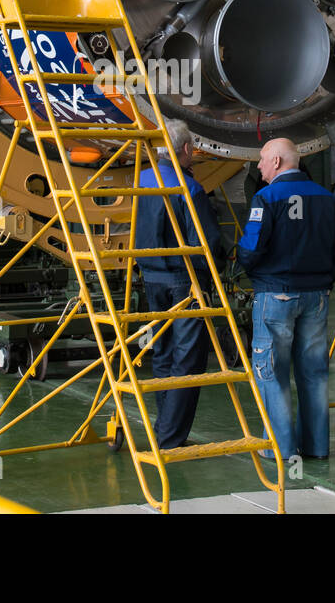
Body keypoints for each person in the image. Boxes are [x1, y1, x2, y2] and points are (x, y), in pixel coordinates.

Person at [237, 137, 335, 461]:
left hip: (276, 294)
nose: (259, 166)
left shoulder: (266, 198)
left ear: (277, 162)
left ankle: (280, 449)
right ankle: (316, 446)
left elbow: (251, 248)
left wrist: (246, 264)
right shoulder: (326, 198)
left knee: (272, 371)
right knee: (314, 373)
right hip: (317, 294)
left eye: (262, 159)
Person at [134, 119, 225, 450]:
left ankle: (164, 428)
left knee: (163, 353)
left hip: (151, 277)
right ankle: (170, 438)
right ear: (186, 149)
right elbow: (207, 241)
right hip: (185, 282)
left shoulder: (141, 180)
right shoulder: (190, 189)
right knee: (187, 360)